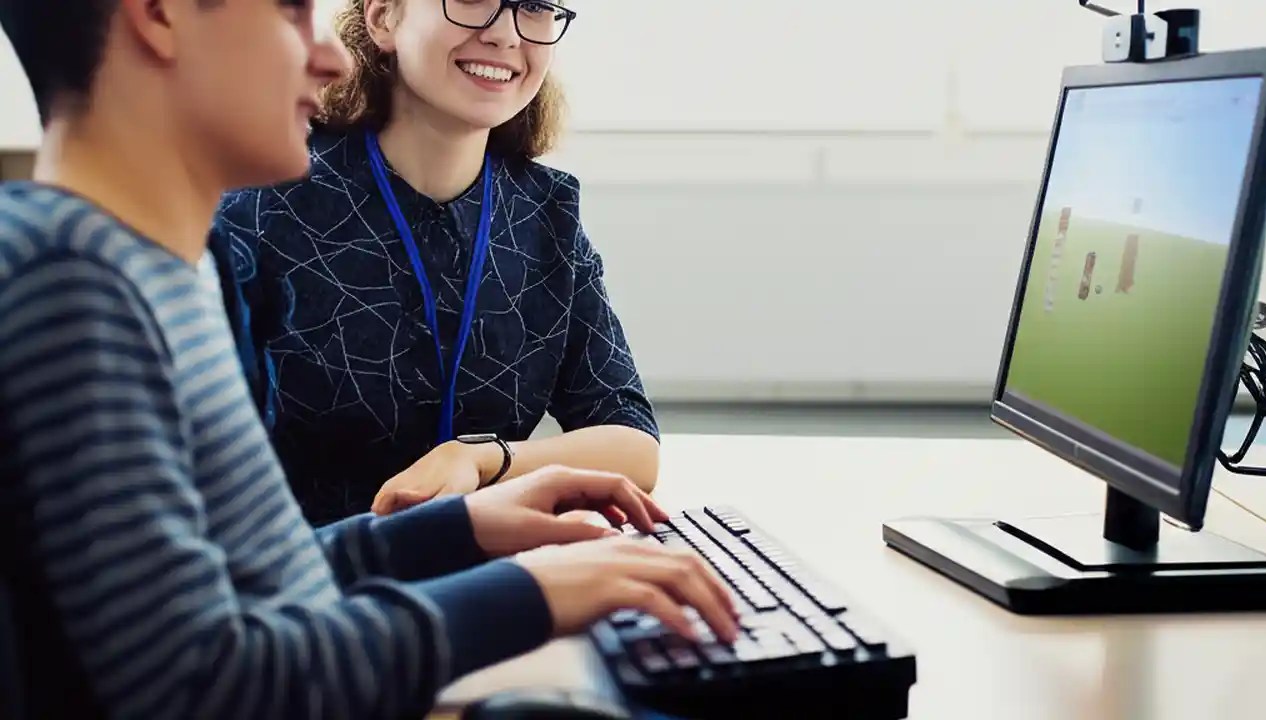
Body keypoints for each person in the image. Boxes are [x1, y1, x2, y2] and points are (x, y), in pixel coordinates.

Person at [0, 2, 736, 718]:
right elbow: (203, 684)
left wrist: (462, 529)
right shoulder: (73, 280)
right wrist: (533, 596)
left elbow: (261, 588)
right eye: (290, 12)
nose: (328, 55)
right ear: (157, 15)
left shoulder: (154, 272)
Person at [209, 0, 660, 526]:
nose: (505, 35)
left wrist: (480, 458)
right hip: (303, 580)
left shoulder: (545, 215)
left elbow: (632, 442)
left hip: (476, 566)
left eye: (533, 6)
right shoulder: (267, 197)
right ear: (383, 18)